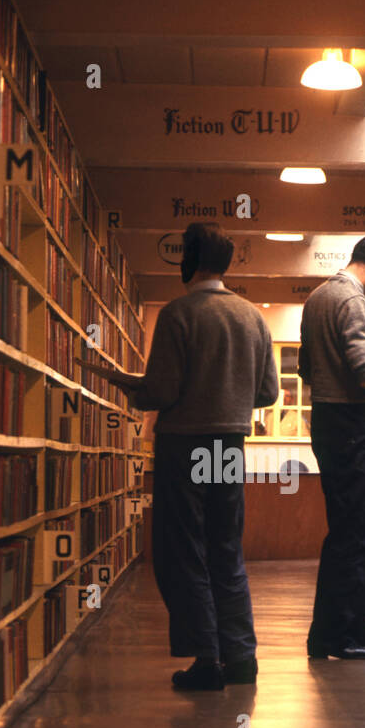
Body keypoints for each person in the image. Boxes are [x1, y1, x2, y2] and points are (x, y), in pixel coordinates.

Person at [82, 222, 279, 691]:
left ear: (189, 261)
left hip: (186, 446)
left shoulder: (177, 314)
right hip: (227, 446)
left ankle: (207, 659)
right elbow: (269, 393)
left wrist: (130, 385)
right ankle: (242, 656)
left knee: (185, 550)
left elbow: (162, 392)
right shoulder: (253, 318)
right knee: (226, 548)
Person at [299, 230, 365, 660]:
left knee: (344, 531)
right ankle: (344, 633)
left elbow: (308, 370)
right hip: (354, 426)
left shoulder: (316, 298)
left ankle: (339, 629)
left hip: (328, 422)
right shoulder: (352, 301)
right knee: (360, 534)